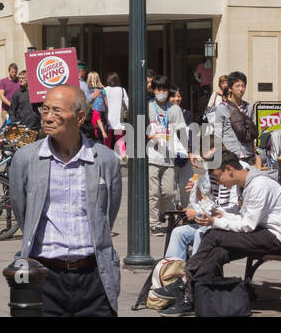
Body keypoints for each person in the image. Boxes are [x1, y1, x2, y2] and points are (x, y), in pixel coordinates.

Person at [9, 85, 122, 316]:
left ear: (80, 117)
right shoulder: (26, 159)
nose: (48, 117)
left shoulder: (105, 160)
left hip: (94, 276)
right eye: (45, 110)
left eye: (57, 111)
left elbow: (107, 213)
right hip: (42, 277)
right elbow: (22, 212)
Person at [155, 151, 281, 316]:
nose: (219, 183)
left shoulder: (259, 185)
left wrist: (214, 222)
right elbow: (245, 219)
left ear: (229, 169)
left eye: (218, 177)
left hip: (276, 237)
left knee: (213, 235)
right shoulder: (247, 184)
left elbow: (247, 224)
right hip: (261, 231)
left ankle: (185, 280)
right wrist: (220, 215)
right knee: (218, 253)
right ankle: (192, 296)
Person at [145, 74, 188, 232]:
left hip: (169, 156)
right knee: (153, 192)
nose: (161, 92)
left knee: (169, 191)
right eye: (158, 89)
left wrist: (185, 149)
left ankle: (159, 212)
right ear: (154, 90)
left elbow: (182, 131)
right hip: (152, 155)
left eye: (164, 89)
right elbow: (141, 128)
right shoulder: (148, 107)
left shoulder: (175, 109)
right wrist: (149, 135)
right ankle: (153, 223)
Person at [205, 71, 254, 165]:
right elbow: (218, 134)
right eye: (238, 86)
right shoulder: (222, 108)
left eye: (243, 86)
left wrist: (256, 155)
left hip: (248, 155)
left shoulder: (249, 107)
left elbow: (252, 135)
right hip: (231, 156)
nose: (241, 89)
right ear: (230, 88)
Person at [103, 72, 128, 159]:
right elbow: (127, 105)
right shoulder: (121, 90)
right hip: (119, 121)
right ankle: (123, 156)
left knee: (108, 141)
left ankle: (107, 157)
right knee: (119, 140)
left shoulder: (105, 90)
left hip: (108, 120)